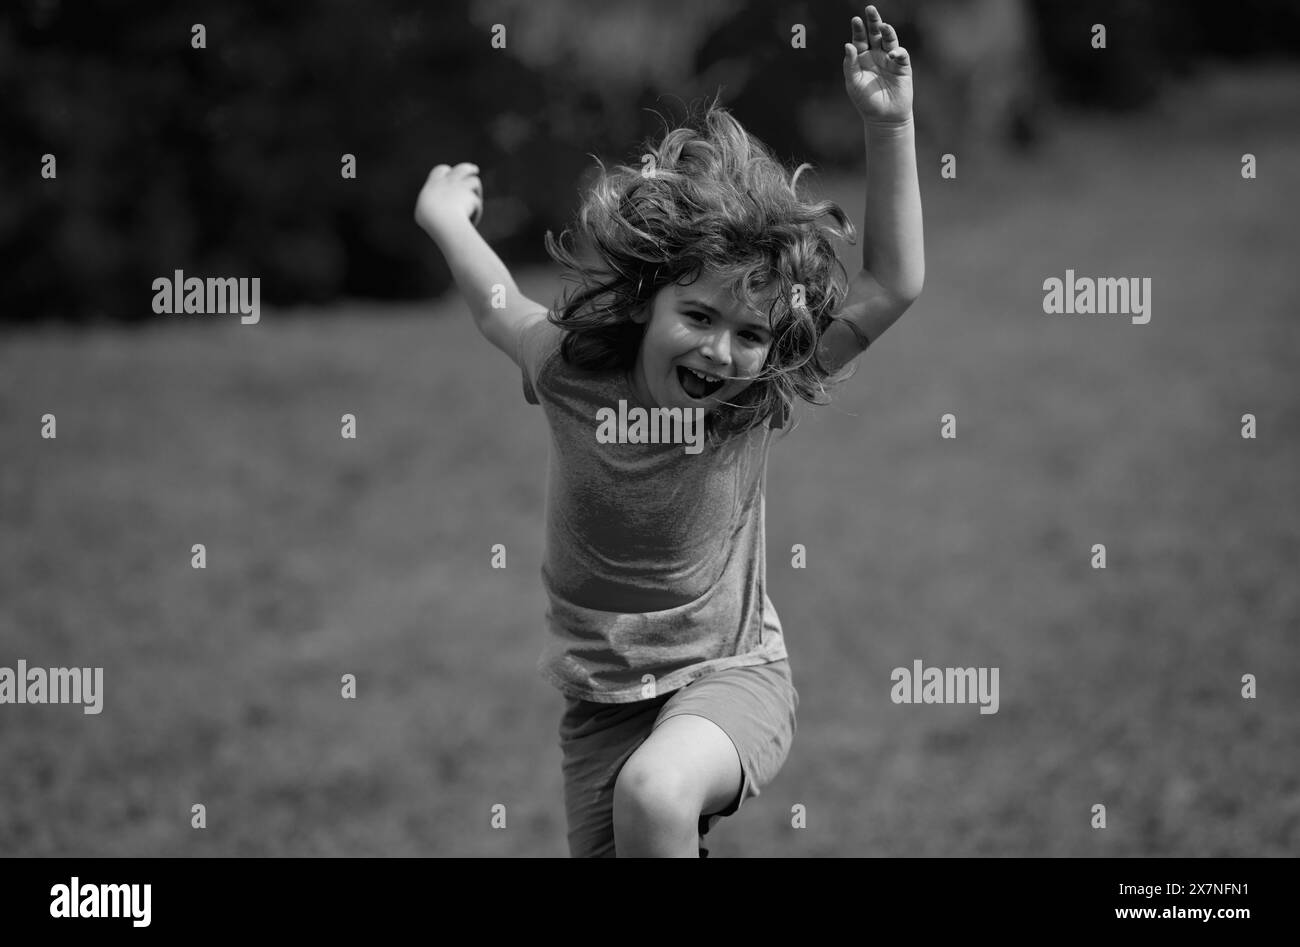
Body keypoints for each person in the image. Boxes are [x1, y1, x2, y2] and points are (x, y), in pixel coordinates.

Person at [415, 5, 923, 857]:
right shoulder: (572, 368)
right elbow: (497, 306)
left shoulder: (749, 396)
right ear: (648, 300)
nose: (723, 350)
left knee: (657, 790)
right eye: (698, 313)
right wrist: (447, 222)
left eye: (752, 332)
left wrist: (892, 122)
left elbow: (892, 283)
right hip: (602, 706)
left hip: (731, 677)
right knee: (639, 807)